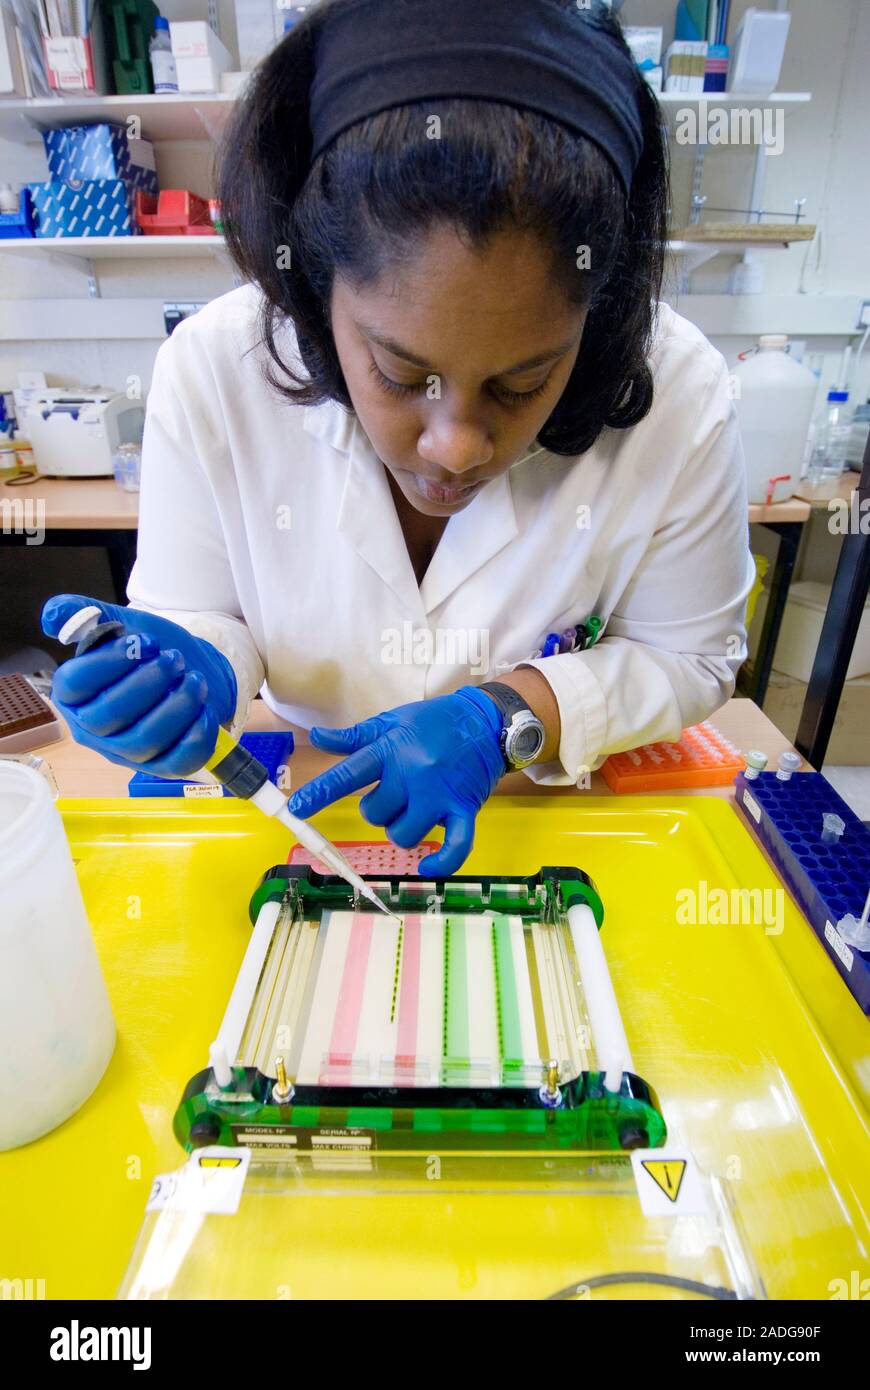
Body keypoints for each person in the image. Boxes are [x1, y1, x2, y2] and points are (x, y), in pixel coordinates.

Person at [43, 0, 754, 876]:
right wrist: (190, 670)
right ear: (315, 296)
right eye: (399, 372)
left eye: (523, 382)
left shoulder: (678, 391)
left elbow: (691, 654)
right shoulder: (213, 369)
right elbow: (206, 614)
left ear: (596, 312)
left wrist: (510, 715)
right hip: (309, 799)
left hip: (552, 814)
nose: (456, 446)